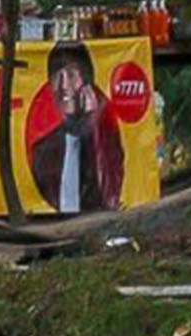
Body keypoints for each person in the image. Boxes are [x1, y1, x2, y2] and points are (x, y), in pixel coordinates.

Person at [25, 38, 125, 215]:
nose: (63, 86)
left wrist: (92, 121)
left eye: (71, 75)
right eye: (56, 76)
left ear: (87, 84)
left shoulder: (107, 140)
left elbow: (108, 194)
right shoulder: (42, 151)